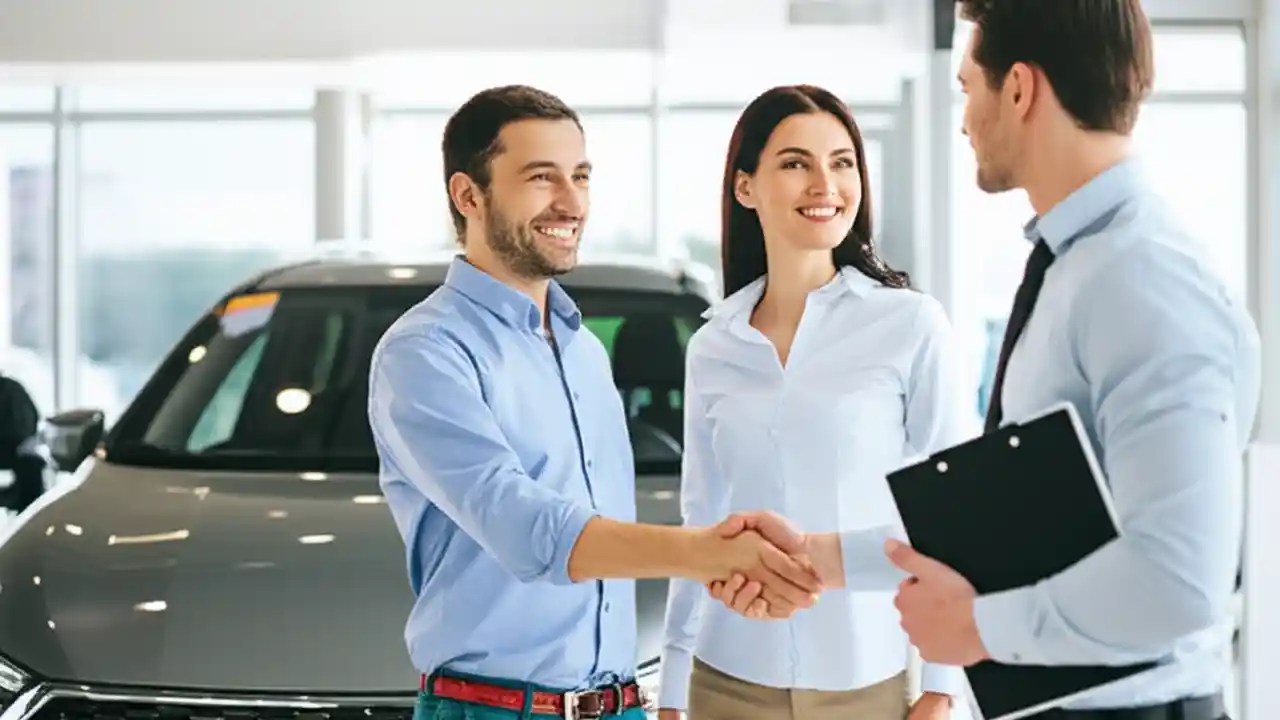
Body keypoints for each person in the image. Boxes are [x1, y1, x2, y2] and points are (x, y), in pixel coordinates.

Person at [366, 85, 822, 720]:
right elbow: (524, 527)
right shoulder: (425, 351)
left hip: (620, 705)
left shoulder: (581, 349)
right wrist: (706, 553)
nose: (572, 201)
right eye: (541, 178)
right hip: (497, 710)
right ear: (468, 195)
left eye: (581, 176)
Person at [883, 3, 1260, 720]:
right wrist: (817, 556)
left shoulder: (1144, 277)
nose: (963, 121)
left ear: (1019, 89)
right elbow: (1036, 525)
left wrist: (978, 628)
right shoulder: (1078, 268)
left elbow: (1180, 580)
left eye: (968, 89)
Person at [656, 85, 973, 720]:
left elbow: (956, 508)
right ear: (745, 187)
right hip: (726, 683)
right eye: (797, 162)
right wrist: (670, 691)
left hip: (868, 684)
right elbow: (701, 522)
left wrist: (944, 685)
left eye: (843, 162)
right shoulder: (714, 345)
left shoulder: (910, 325)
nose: (825, 183)